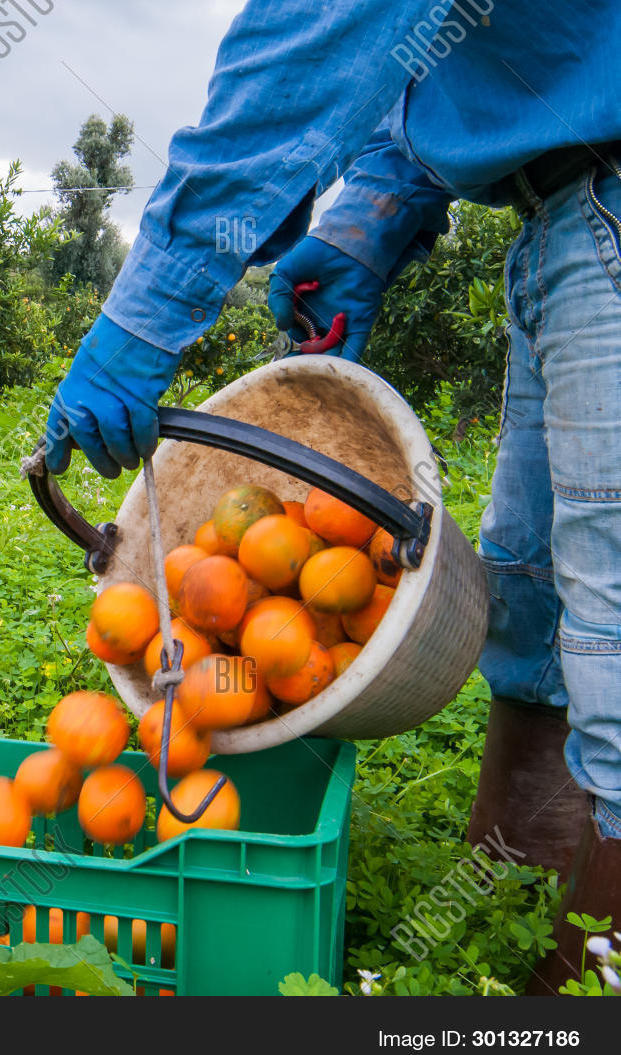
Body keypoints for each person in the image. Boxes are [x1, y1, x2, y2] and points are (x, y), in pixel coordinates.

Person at [44, 1, 621, 993]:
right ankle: (521, 994)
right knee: (539, 632)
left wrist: (141, 324)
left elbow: (307, 48)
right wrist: (380, 208)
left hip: (601, 203)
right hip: (567, 214)